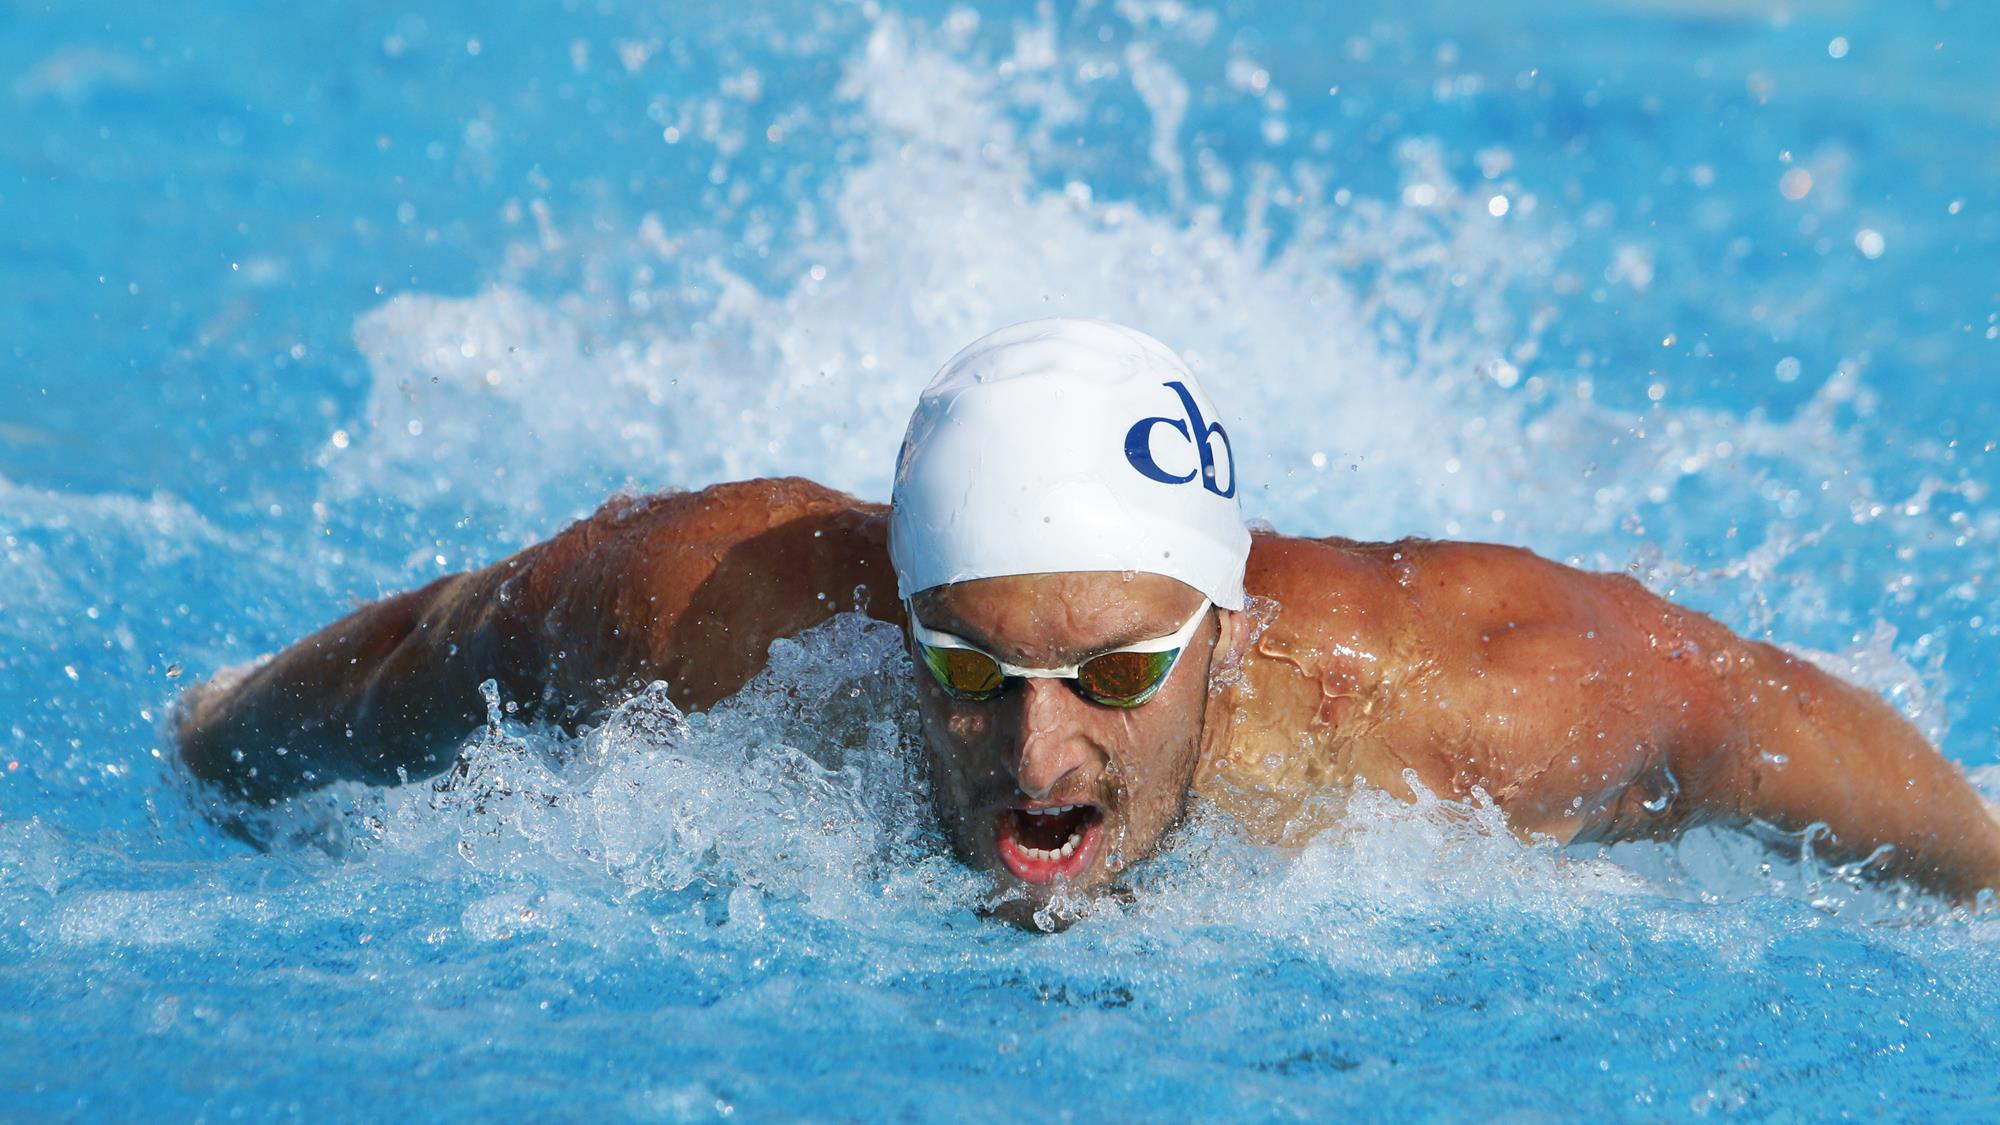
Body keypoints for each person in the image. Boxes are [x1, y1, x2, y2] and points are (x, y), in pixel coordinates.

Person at [176, 318, 2000, 913]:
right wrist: (212, 744)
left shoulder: (1473, 708)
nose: (1038, 760)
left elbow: (1750, 712)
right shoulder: (709, 618)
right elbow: (409, 661)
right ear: (894, 617)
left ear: (1223, 635)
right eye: (970, 668)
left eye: (1118, 673)